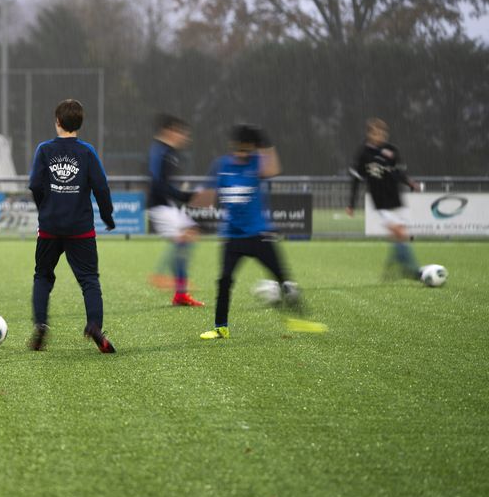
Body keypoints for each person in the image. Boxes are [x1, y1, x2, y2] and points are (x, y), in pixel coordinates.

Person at [193, 124, 324, 340]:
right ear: (232, 146)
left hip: (258, 235)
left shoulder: (256, 162)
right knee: (224, 281)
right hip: (232, 237)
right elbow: (207, 195)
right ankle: (221, 328)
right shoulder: (221, 165)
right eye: (239, 149)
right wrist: (193, 214)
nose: (242, 154)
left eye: (247, 149)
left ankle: (301, 320)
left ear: (253, 148)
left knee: (283, 277)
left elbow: (273, 170)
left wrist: (265, 143)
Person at [27, 99, 117, 353]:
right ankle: (94, 326)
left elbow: (34, 185)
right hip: (80, 228)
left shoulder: (44, 150)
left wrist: (44, 209)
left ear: (57, 121)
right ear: (79, 123)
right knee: (89, 280)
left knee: (42, 276)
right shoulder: (87, 152)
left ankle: (41, 325)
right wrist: (107, 217)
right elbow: (101, 187)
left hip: (50, 227)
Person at [346, 118, 422, 280]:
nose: (380, 136)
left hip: (395, 197)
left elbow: (399, 173)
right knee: (400, 233)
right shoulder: (363, 154)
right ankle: (413, 270)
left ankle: (394, 265)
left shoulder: (392, 150)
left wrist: (410, 182)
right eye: (376, 133)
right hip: (380, 201)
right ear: (369, 134)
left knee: (400, 235)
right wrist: (351, 204)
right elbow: (357, 180)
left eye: (383, 133)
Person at [147, 113, 205, 306]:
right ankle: (161, 275)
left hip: (167, 205)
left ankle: (180, 293)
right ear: (170, 131)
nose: (184, 138)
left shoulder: (170, 153)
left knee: (190, 234)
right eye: (181, 133)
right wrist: (185, 197)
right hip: (159, 206)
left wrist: (182, 197)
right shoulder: (160, 151)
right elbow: (158, 183)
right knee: (186, 235)